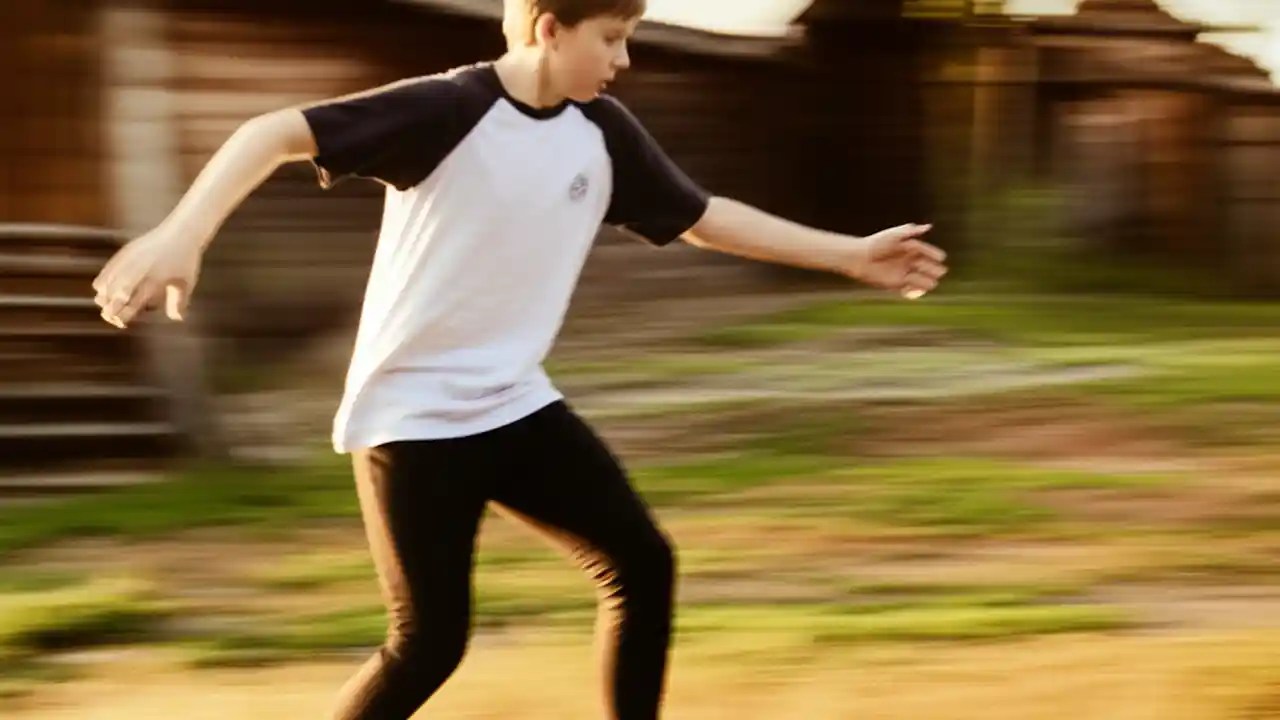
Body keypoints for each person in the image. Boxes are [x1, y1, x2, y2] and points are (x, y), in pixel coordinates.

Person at [91, 1, 948, 717]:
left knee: (642, 564)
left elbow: (701, 216)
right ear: (547, 28)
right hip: (413, 422)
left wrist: (848, 255)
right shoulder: (447, 110)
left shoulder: (602, 131)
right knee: (429, 645)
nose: (622, 60)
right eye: (610, 38)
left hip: (512, 405)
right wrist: (181, 234)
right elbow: (273, 132)